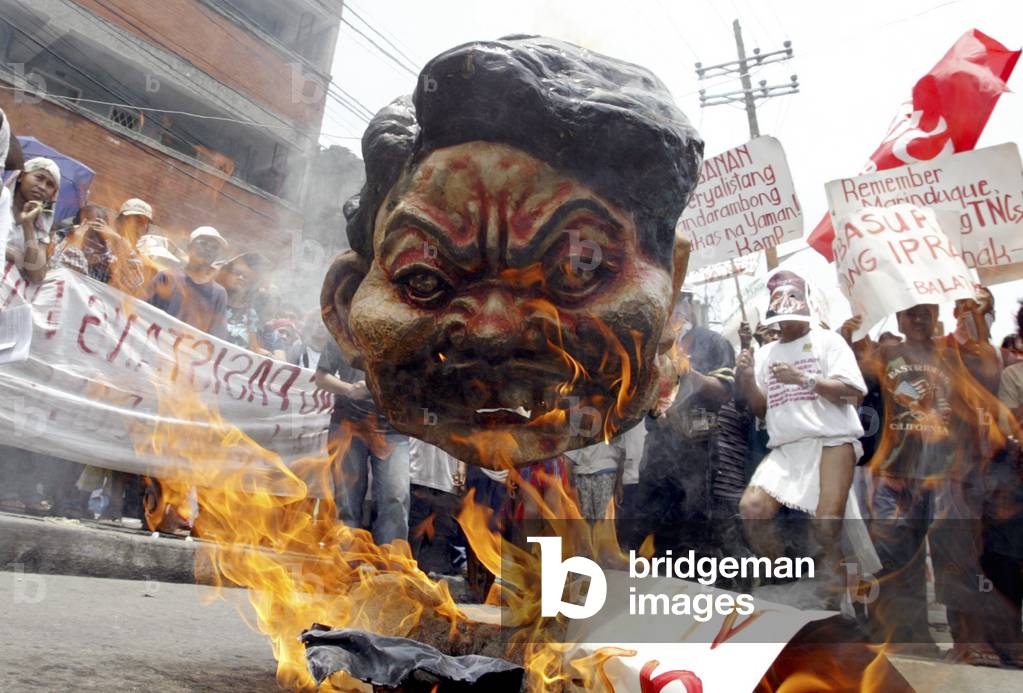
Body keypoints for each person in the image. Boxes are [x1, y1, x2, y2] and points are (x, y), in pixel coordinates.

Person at [850, 303, 1006, 664]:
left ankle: (969, 641)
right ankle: (909, 638)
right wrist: (850, 332)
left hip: (947, 471)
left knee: (957, 555)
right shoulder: (885, 354)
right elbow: (853, 381)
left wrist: (976, 318)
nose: (919, 319)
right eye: (910, 313)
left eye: (926, 312)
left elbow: (988, 372)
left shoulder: (954, 352)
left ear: (936, 315)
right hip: (896, 472)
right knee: (895, 556)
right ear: (899, 319)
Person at [735, 270, 866, 595]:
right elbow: (762, 409)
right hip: (787, 447)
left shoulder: (828, 341)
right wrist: (747, 378)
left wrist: (804, 379)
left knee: (826, 526)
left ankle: (837, 601)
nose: (786, 314)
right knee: (752, 509)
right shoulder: (766, 353)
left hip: (832, 441)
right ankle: (787, 583)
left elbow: (854, 394)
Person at [637, 291, 734, 553]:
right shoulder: (650, 347)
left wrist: (691, 374)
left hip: (698, 447)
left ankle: (698, 570)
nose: (674, 310)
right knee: (655, 516)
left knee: (696, 517)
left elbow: (725, 392)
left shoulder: (713, 342)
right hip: (658, 446)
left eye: (679, 301)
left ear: (689, 305)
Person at [315, 337, 410, 545]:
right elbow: (321, 377)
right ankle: (346, 558)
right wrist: (349, 389)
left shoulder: (404, 336)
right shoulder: (343, 332)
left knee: (395, 497)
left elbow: (416, 380)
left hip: (392, 428)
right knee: (346, 500)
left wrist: (377, 389)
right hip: (347, 424)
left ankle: (392, 560)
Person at [145, 226, 229, 338]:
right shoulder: (167, 277)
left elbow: (218, 333)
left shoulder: (219, 294)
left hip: (189, 348)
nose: (208, 249)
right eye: (203, 244)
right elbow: (142, 312)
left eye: (214, 247)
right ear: (189, 248)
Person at [49, 204, 145, 294]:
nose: (94, 239)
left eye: (98, 233)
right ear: (75, 227)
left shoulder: (108, 260)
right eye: (89, 231)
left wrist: (117, 238)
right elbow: (66, 273)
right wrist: (76, 240)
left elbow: (135, 283)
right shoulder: (58, 241)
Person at [408, 439, 467, 575]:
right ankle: (409, 578)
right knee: (413, 536)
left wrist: (462, 466)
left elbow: (465, 433)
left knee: (441, 536)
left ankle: (432, 579)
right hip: (416, 472)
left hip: (449, 478)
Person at [4, 156, 59, 283]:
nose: (42, 187)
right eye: (39, 177)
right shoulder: (2, 200)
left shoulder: (41, 229)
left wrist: (28, 225)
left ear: (52, 195)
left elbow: (37, 276)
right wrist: (14, 255)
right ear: (21, 176)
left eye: (50, 185)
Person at [216, 252, 269, 351]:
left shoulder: (250, 314)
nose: (241, 278)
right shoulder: (213, 301)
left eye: (246, 276)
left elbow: (253, 346)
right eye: (237, 274)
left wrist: (260, 352)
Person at [565, 438, 625, 522]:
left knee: (601, 519)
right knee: (591, 520)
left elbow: (621, 449)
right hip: (585, 473)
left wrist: (619, 483)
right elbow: (568, 457)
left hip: (602, 471)